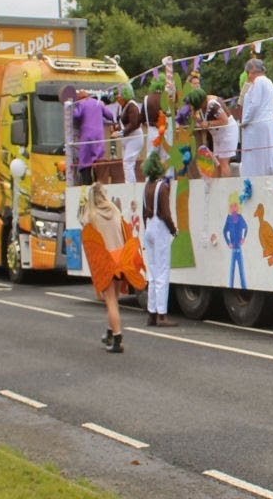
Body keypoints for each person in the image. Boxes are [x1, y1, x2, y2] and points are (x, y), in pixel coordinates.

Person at [79, 182, 146, 353]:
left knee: (110, 302)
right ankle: (110, 333)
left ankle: (117, 338)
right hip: (120, 259)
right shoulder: (115, 212)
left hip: (106, 261)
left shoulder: (91, 215)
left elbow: (83, 225)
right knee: (114, 300)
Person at [140, 152, 178, 327]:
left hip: (148, 227)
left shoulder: (146, 187)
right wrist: (174, 230)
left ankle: (151, 313)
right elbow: (165, 213)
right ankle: (162, 315)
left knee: (153, 273)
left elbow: (142, 213)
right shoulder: (162, 187)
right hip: (160, 228)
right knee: (163, 272)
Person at [239, 58, 273, 177]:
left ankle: (256, 176)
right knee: (267, 153)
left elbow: (254, 104)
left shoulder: (259, 82)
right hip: (267, 123)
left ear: (252, 71)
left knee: (257, 155)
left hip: (258, 125)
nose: (248, 77)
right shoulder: (269, 82)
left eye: (248, 73)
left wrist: (245, 121)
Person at [187, 86, 239, 177]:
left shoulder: (212, 104)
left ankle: (226, 186)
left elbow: (224, 120)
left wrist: (208, 123)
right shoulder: (203, 106)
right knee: (217, 162)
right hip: (217, 133)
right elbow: (205, 121)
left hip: (227, 131)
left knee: (223, 162)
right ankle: (218, 185)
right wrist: (198, 120)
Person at [72, 91, 114, 185]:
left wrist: (73, 108)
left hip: (87, 136)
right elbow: (110, 115)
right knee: (99, 160)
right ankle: (99, 183)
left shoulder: (81, 103)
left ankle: (87, 184)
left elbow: (76, 115)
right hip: (99, 136)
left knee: (85, 161)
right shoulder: (98, 103)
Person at [118, 88, 144, 183]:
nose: (117, 98)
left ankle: (129, 186)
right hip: (126, 137)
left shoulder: (132, 106)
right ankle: (131, 184)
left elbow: (134, 124)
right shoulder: (121, 107)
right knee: (128, 164)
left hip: (134, 137)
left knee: (128, 162)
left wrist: (120, 133)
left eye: (119, 96)